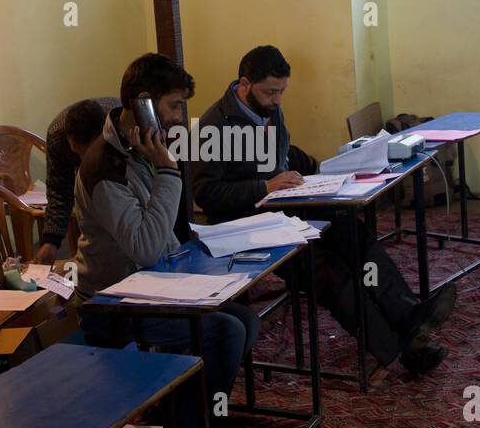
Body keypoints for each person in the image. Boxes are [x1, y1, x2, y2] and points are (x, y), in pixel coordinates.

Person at [193, 45, 456, 376]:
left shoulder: (269, 110)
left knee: (351, 232)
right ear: (244, 84)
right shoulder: (212, 126)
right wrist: (264, 186)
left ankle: (408, 317)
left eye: (281, 91)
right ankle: (398, 348)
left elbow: (282, 154)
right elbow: (205, 194)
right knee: (327, 271)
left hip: (285, 209)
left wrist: (320, 173)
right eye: (269, 92)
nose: (277, 99)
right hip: (244, 227)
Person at [73, 54, 255, 428]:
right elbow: (146, 246)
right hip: (112, 303)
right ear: (144, 105)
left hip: (155, 281)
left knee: (244, 318)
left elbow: (169, 230)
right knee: (224, 332)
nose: (179, 118)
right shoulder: (106, 167)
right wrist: (169, 170)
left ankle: (192, 413)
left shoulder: (143, 147)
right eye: (173, 106)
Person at [33, 96, 118, 267]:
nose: (84, 162)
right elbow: (59, 190)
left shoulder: (119, 127)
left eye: (88, 154)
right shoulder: (57, 136)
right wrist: (51, 241)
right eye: (77, 154)